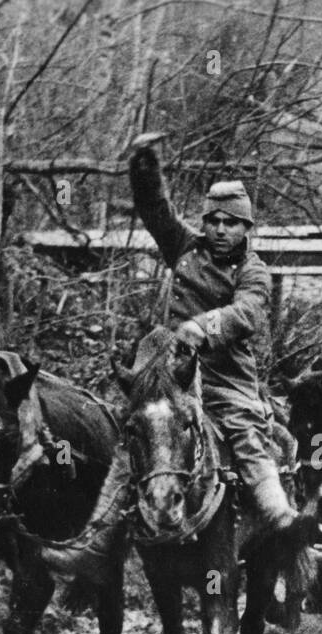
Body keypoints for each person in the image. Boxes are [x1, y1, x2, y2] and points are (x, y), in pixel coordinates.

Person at [126, 134, 310, 536]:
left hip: (224, 378)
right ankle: (104, 532)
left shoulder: (254, 271)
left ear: (246, 228)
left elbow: (246, 312)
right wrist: (145, 167)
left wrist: (201, 327)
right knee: (134, 429)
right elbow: (156, 210)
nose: (221, 230)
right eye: (214, 221)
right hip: (171, 373)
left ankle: (278, 513)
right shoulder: (185, 247)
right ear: (204, 222)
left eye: (231, 223)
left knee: (247, 435)